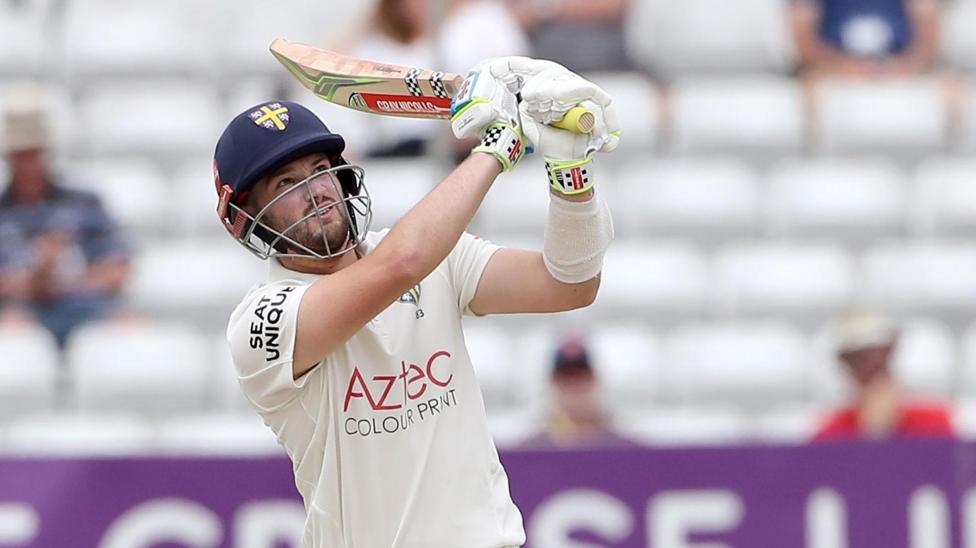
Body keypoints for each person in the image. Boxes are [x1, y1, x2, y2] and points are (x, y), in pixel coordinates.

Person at [218, 58, 619, 546]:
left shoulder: (437, 257)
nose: (317, 191)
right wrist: (501, 144)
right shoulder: (263, 322)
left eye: (321, 170)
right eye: (286, 184)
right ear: (244, 219)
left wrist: (571, 173)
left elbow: (569, 284)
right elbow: (400, 266)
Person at [0, 98, 130, 345]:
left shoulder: (85, 202)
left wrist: (69, 280)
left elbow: (119, 267)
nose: (28, 164)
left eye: (34, 154)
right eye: (21, 155)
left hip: (86, 307)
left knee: (127, 328)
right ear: (9, 158)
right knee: (13, 334)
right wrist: (33, 281)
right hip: (21, 312)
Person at [326, 0, 530, 158]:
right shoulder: (376, 47)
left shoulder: (469, 28)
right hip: (400, 148)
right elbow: (328, 69)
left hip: (459, 140)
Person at [813, 310, 954, 441]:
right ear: (847, 365)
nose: (874, 363)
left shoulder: (934, 422)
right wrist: (871, 432)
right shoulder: (830, 432)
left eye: (881, 353)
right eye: (860, 358)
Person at [521, 332, 634, 448]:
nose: (573, 384)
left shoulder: (627, 450)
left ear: (594, 380)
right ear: (553, 382)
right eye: (565, 377)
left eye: (580, 376)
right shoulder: (530, 450)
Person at [791, 0, 940, 77]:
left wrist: (902, 68)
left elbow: (927, 40)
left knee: (948, 90)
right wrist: (842, 67)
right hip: (831, 71)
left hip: (900, 69)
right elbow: (804, 43)